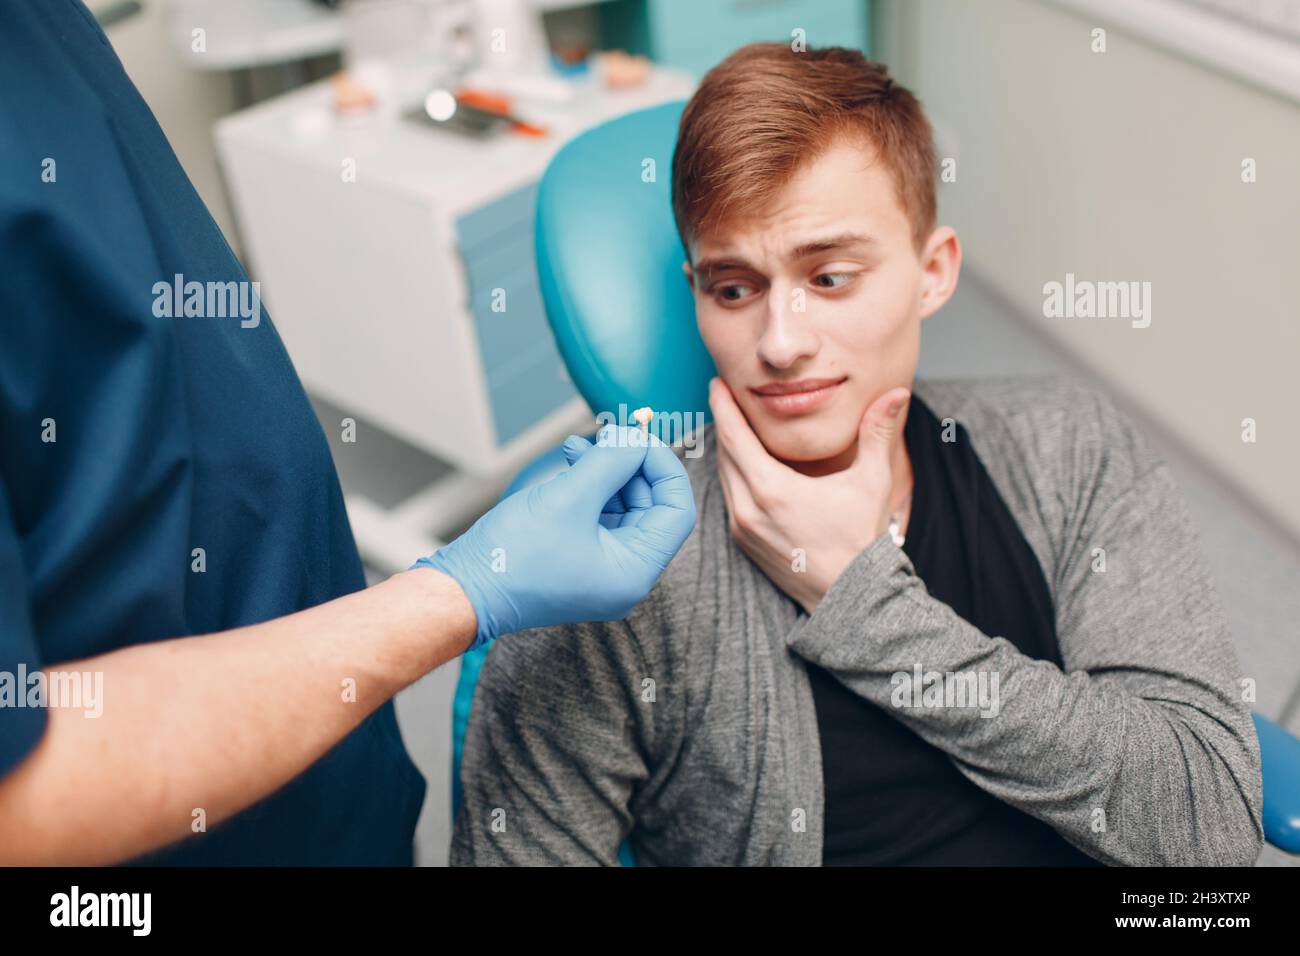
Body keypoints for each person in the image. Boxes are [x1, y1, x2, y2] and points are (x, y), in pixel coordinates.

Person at [451, 43, 1264, 866]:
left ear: (933, 273)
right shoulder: (620, 573)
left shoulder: (1068, 444)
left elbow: (1211, 835)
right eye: (733, 288)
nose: (781, 343)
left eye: (831, 277)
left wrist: (861, 602)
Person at [0, 1, 695, 866]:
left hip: (329, 794)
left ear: (926, 272)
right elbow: (19, 795)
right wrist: (462, 592)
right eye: (731, 286)